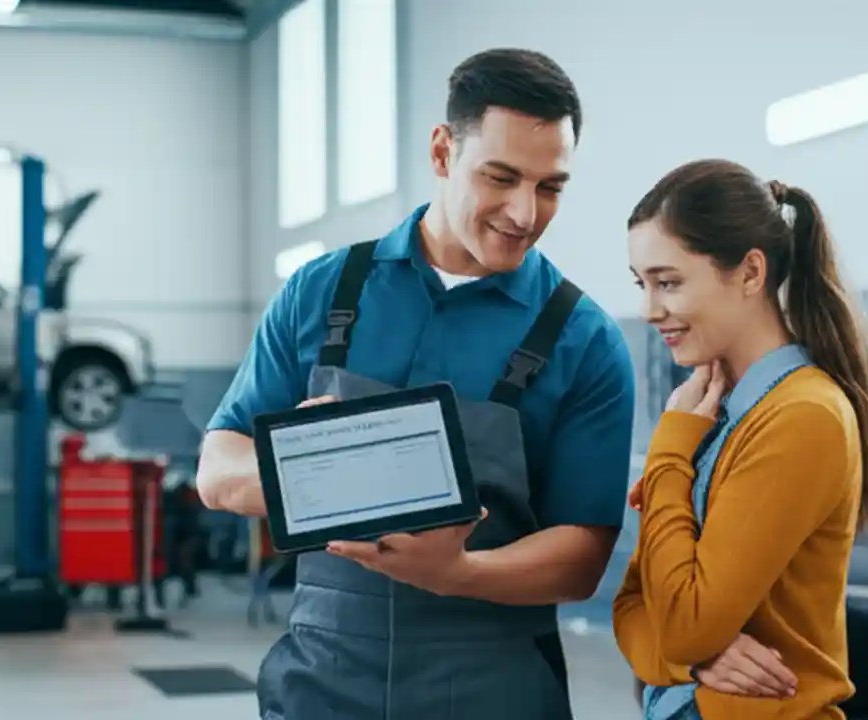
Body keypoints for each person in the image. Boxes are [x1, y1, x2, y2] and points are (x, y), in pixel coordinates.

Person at [197, 48, 636, 719]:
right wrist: (316, 470)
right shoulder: (324, 292)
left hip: (493, 690)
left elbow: (581, 556)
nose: (524, 212)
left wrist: (459, 574)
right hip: (323, 685)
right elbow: (217, 470)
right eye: (501, 177)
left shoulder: (584, 339)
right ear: (441, 151)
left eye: (550, 187)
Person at [612, 159, 868, 719]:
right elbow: (630, 607)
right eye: (642, 284)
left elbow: (685, 625)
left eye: (668, 282)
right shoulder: (717, 414)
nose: (649, 309)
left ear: (750, 273)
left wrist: (670, 450)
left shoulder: (802, 416)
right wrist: (690, 663)